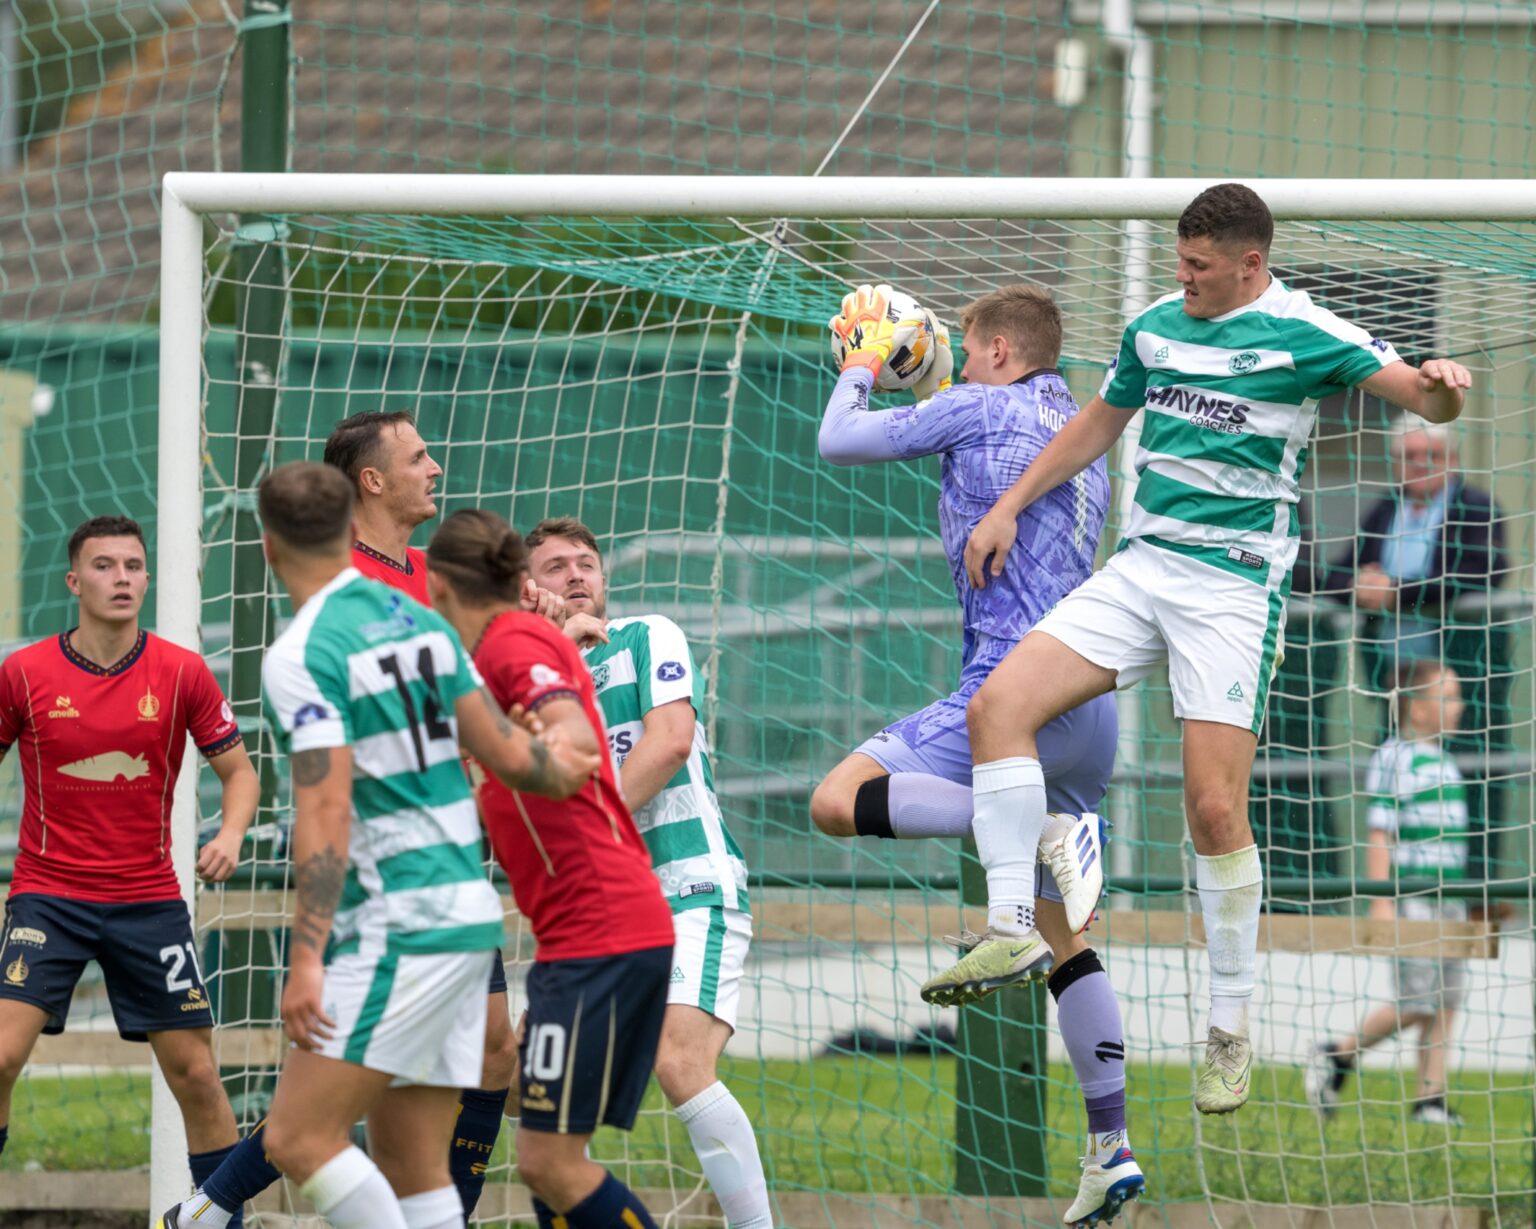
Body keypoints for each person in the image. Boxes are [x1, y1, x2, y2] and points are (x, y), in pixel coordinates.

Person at [945, 182, 1471, 1115]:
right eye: (1178, 261)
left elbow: (1425, 399)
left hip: (1232, 591)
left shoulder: (1310, 332)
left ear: (1250, 264)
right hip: (1142, 569)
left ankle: (1228, 1023)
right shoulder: (1153, 328)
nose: (1182, 277)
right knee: (999, 708)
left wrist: (1443, 385)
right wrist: (1007, 505)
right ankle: (1012, 926)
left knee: (1213, 807)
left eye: (1198, 266)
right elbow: (1093, 430)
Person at [162, 461, 597, 1229]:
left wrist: (305, 957)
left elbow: (327, 807)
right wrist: (558, 763)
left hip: (400, 919)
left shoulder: (301, 654)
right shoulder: (422, 620)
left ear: (267, 546)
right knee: (410, 1162)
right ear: (346, 530)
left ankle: (196, 1214)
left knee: (298, 1136)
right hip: (467, 915)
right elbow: (497, 744)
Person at [810, 283, 1139, 1224]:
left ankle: (1045, 823)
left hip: (1008, 696)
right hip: (1088, 701)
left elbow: (841, 436)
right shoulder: (1079, 426)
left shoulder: (979, 403)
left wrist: (866, 358)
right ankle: (1110, 1144)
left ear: (997, 348)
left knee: (840, 797)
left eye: (965, 343)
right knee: (1065, 942)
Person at [0, 516, 258, 1222]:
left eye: (134, 566)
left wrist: (230, 833)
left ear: (148, 577)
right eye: (105, 565)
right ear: (74, 580)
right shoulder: (23, 672)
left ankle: (215, 1219)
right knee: (0, 1055)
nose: (122, 578)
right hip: (47, 897)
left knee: (199, 1075)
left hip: (148, 903)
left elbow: (239, 773)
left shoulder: (182, 670)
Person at [426, 509, 676, 1229]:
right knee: (547, 1152)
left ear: (441, 586)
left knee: (546, 1162)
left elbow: (569, 741)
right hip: (589, 931)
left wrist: (520, 745)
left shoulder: (509, 646)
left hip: (604, 929)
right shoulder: (519, 644)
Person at [527, 517, 775, 1229]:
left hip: (690, 884)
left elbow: (668, 741)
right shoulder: (529, 681)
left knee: (679, 1058)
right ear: (526, 589)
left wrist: (591, 825)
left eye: (585, 562)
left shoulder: (647, 635)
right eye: (553, 567)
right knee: (524, 1088)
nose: (575, 574)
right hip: (598, 917)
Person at [1306, 659, 1469, 1127]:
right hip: (1413, 902)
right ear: (1416, 707)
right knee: (1416, 1003)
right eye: (1448, 697)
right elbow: (1381, 833)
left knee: (1447, 1002)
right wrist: (1382, 900)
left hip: (1449, 903)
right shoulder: (1394, 757)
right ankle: (1337, 1054)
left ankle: (1431, 1100)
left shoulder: (1446, 761)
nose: (1459, 706)